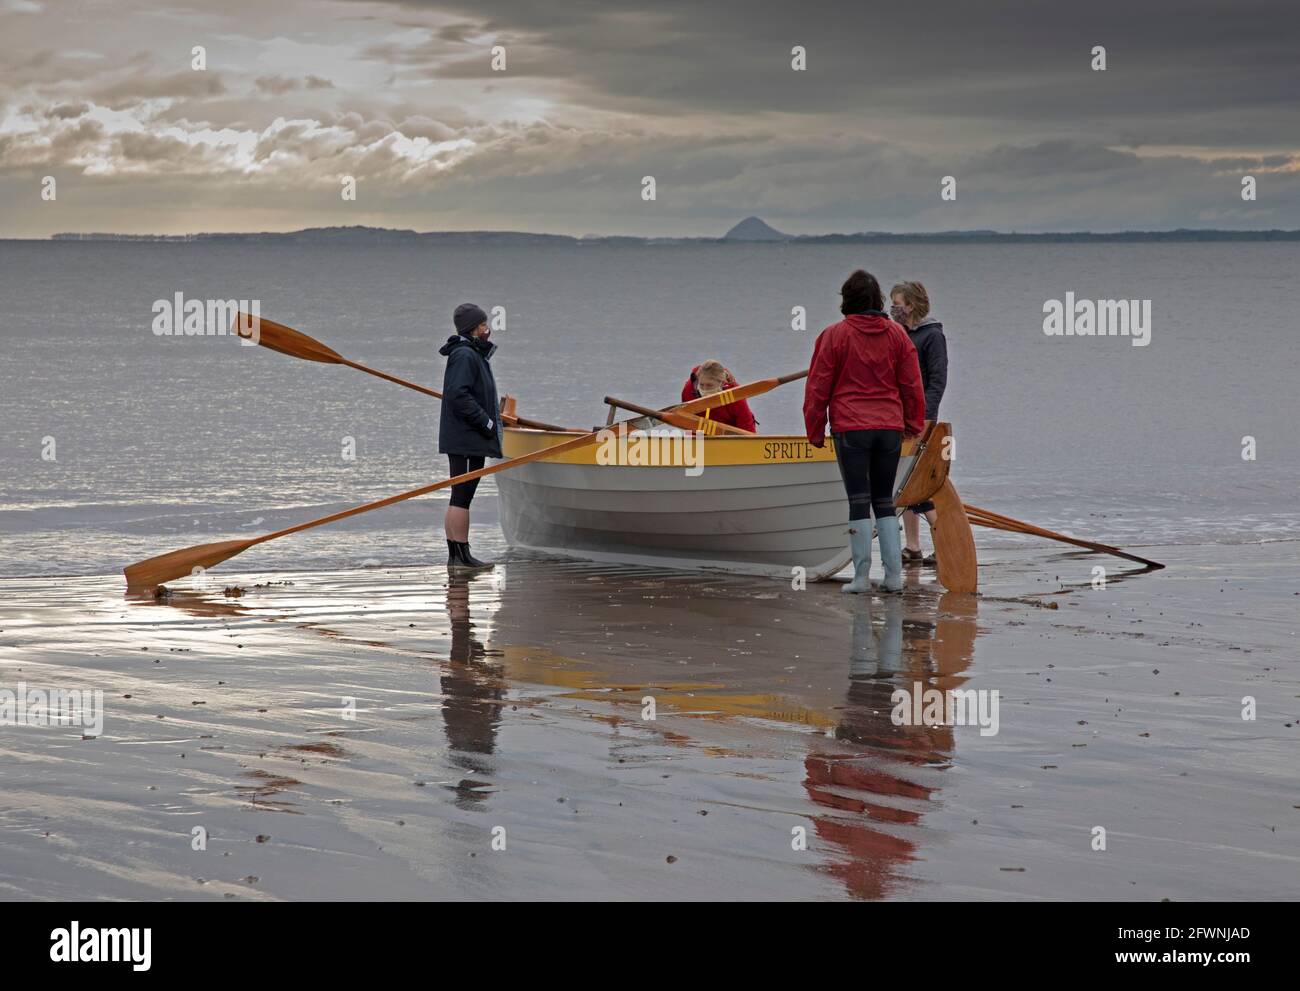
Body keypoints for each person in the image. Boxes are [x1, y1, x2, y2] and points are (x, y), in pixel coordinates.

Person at [804, 270, 925, 593]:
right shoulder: (898, 335)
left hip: (851, 427)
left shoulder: (834, 335)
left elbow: (818, 387)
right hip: (888, 426)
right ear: (878, 301)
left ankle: (860, 578)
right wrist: (914, 424)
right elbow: (912, 386)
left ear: (847, 300)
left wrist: (814, 429)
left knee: (858, 500)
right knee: (884, 499)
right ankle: (894, 577)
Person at [438, 303, 503, 571]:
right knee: (462, 496)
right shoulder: (465, 355)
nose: (488, 329)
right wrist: (487, 423)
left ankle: (457, 556)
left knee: (460, 496)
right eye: (484, 324)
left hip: (467, 438)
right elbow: (458, 395)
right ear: (473, 328)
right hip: (466, 439)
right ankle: (461, 554)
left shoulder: (471, 353)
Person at [889, 281, 948, 565]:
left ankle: (945, 544)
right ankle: (913, 546)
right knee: (905, 481)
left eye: (896, 304)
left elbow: (937, 381)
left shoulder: (932, 336)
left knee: (918, 481)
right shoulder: (900, 333)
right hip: (899, 415)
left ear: (910, 306)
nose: (892, 309)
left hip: (922, 416)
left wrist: (925, 416)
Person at [681, 360, 757, 431]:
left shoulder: (734, 393)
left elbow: (745, 423)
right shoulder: (689, 390)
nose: (704, 389)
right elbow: (689, 422)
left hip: (730, 433)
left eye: (709, 385)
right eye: (701, 384)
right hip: (700, 431)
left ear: (721, 383)